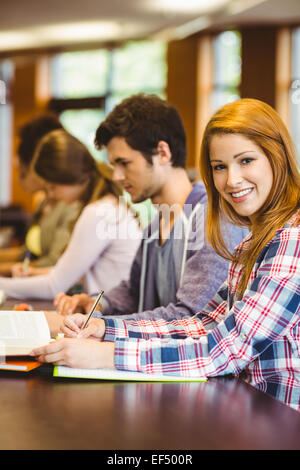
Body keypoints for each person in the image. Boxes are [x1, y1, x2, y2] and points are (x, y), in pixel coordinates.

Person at [34, 98, 300, 410]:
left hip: (279, 423)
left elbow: (224, 348)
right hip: (242, 411)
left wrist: (109, 354)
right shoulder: (252, 243)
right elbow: (203, 324)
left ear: (277, 157)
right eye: (219, 167)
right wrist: (106, 328)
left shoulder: (290, 240)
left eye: (246, 161)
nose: (231, 180)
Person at [54, 93, 247, 319]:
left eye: (124, 163)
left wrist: (103, 326)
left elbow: (192, 317)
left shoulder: (212, 218)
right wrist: (97, 303)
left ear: (162, 153)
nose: (116, 176)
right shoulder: (157, 224)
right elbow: (134, 292)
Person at [0, 129, 141, 299]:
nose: (51, 195)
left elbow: (54, 286)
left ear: (73, 178)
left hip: (111, 314)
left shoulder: (98, 213)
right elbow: (72, 272)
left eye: (53, 187)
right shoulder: (107, 206)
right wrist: (37, 273)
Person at [0, 113, 81, 276]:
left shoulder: (71, 203)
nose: (19, 179)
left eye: (22, 172)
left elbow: (54, 263)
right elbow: (27, 253)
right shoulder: (44, 202)